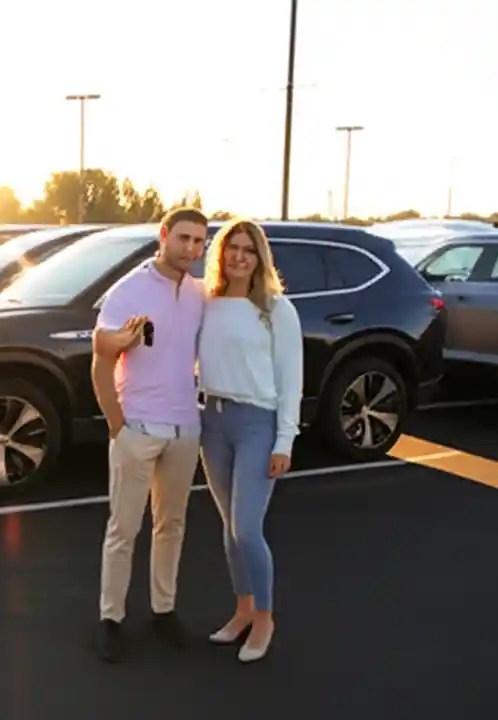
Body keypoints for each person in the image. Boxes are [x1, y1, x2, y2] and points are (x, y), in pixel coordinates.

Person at [91, 206, 208, 662]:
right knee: (123, 529)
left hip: (185, 429)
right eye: (183, 238)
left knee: (171, 526)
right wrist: (116, 424)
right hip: (137, 427)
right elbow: (100, 356)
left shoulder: (199, 294)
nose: (191, 249)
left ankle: (163, 610)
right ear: (164, 236)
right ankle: (111, 618)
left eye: (199, 242)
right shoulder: (129, 291)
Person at [196, 218, 303, 663]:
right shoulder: (209, 303)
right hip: (212, 423)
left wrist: (285, 441)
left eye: (249, 249)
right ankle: (241, 610)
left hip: (257, 423)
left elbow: (291, 378)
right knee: (229, 530)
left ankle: (264, 617)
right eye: (232, 247)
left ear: (261, 257)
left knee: (247, 528)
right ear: (220, 254)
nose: (239, 256)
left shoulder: (276, 309)